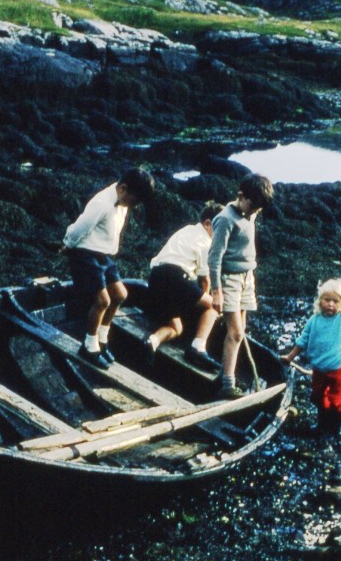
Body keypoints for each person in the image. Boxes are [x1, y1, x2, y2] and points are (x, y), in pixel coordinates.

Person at [62, 168, 156, 368]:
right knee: (102, 300)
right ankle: (89, 346)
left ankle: (102, 339)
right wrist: (68, 244)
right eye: (135, 201)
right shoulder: (102, 203)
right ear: (123, 189)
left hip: (105, 255)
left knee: (120, 295)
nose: (134, 206)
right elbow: (81, 226)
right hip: (85, 253)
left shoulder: (123, 201)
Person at [208, 173, 274, 399]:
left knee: (239, 332)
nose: (254, 213)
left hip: (247, 277)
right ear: (240, 196)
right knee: (235, 333)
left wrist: (253, 211)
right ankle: (227, 384)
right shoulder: (225, 219)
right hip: (230, 280)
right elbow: (214, 258)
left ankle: (224, 373)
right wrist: (216, 291)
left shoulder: (251, 212)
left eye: (258, 210)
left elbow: (252, 215)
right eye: (252, 207)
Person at [281, 278, 341, 437]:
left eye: (336, 301)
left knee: (336, 398)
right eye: (327, 300)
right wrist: (290, 356)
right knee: (318, 396)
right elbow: (303, 339)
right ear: (320, 300)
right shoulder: (314, 320)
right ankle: (321, 425)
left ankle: (334, 430)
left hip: (338, 368)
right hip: (318, 367)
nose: (331, 304)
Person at [143, 203, 223, 371]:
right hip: (174, 277)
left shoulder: (187, 229)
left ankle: (152, 341)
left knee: (176, 327)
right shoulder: (206, 242)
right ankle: (197, 347)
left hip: (156, 277)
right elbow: (205, 281)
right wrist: (204, 303)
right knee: (214, 305)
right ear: (208, 223)